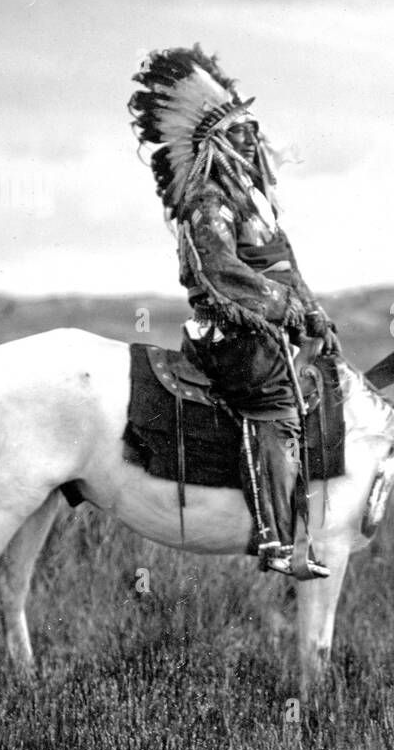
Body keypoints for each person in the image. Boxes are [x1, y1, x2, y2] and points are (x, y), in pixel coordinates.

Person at [129, 45, 338, 579]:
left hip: (268, 326)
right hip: (230, 333)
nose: (252, 137)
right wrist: (285, 308)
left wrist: (312, 313)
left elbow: (284, 265)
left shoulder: (255, 198)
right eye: (240, 130)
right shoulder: (207, 199)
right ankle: (276, 540)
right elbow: (220, 272)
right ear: (217, 142)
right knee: (274, 401)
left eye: (252, 127)